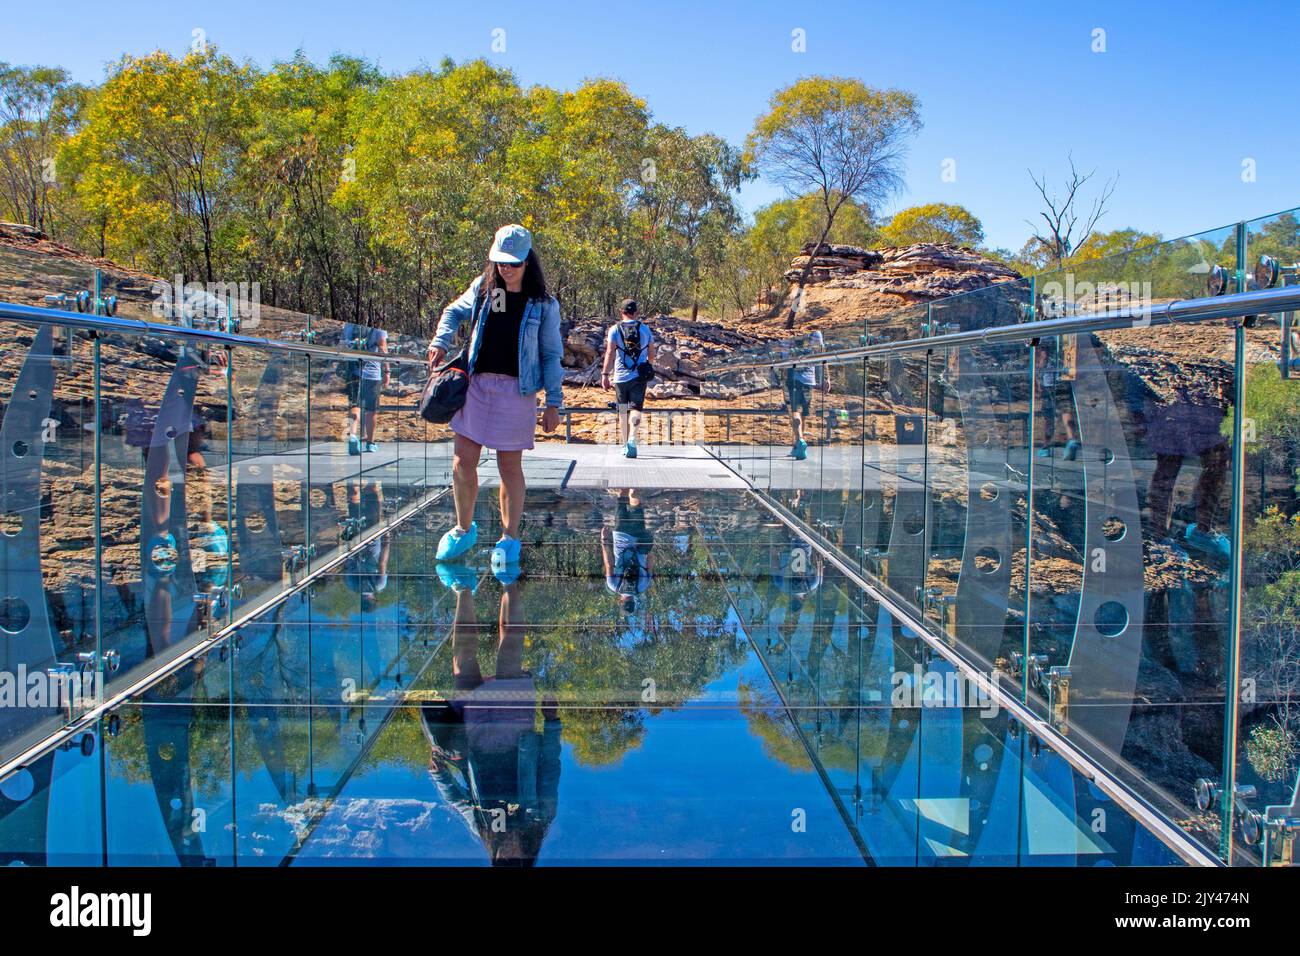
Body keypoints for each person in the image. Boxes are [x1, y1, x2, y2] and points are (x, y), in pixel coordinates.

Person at [427, 224, 564, 573]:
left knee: (509, 467)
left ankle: (508, 539)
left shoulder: (542, 305)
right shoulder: (488, 290)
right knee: (463, 460)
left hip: (517, 392)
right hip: (477, 386)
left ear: (527, 262)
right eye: (500, 262)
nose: (505, 269)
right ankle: (463, 528)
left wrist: (553, 402)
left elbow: (551, 354)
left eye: (513, 263)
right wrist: (441, 341)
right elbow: (453, 311)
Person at [601, 299, 656, 458]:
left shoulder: (614, 329)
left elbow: (610, 353)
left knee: (623, 410)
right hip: (639, 377)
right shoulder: (645, 329)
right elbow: (652, 351)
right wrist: (648, 365)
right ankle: (633, 438)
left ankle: (625, 444)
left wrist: (605, 374)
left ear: (621, 312)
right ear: (636, 312)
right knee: (636, 409)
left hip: (620, 377)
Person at [601, 487, 654, 615]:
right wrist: (604, 540)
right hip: (620, 536)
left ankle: (633, 491)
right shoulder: (614, 586)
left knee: (636, 507)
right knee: (621, 502)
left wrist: (649, 546)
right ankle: (623, 491)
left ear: (634, 602)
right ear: (621, 602)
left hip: (638, 538)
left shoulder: (643, 586)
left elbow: (650, 561)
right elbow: (609, 564)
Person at [342, 322, 389, 455]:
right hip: (372, 373)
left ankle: (352, 435)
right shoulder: (378, 328)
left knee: (354, 404)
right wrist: (387, 371)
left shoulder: (349, 326)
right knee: (371, 409)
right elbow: (383, 349)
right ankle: (370, 443)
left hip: (353, 370)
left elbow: (343, 345)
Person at [783, 329, 827, 460]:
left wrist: (784, 376)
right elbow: (823, 355)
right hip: (809, 380)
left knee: (794, 410)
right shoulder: (816, 333)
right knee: (804, 413)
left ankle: (800, 440)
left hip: (794, 378)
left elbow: (786, 360)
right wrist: (827, 378)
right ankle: (798, 446)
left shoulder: (792, 336)